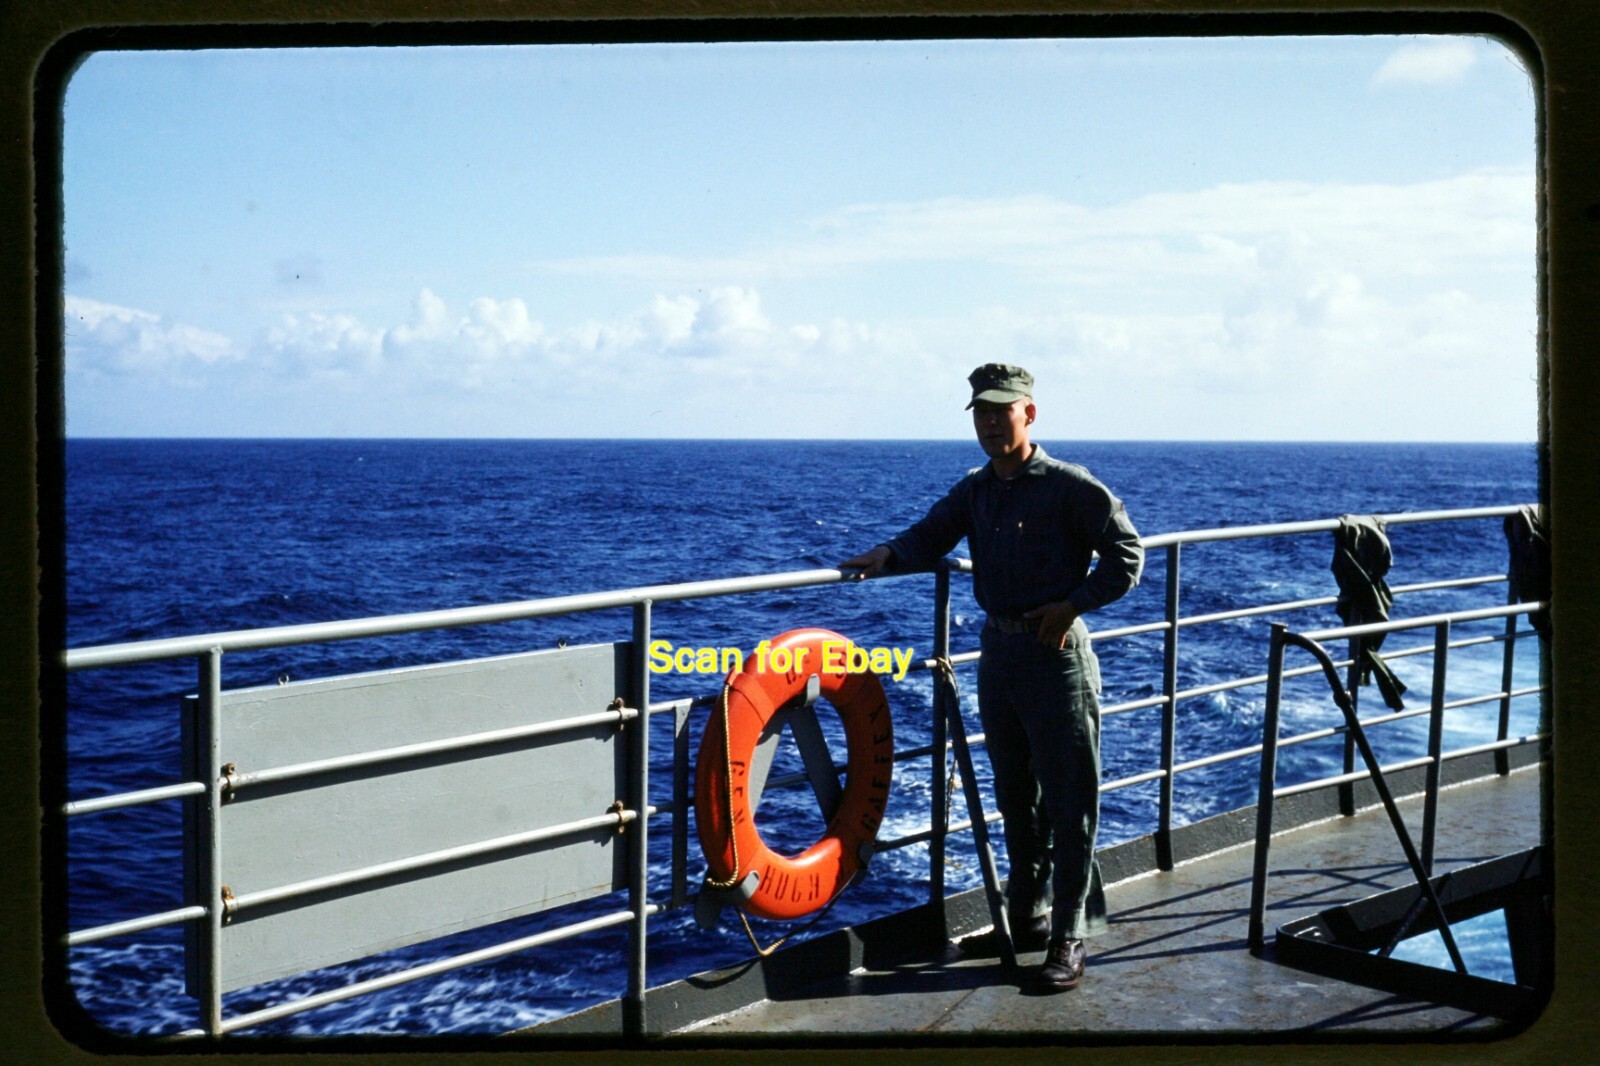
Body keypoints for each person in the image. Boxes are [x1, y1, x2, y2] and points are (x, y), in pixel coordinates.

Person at [839, 363, 1143, 993]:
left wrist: (1071, 606)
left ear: (1028, 413)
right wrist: (887, 555)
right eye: (980, 412)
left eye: (1002, 411)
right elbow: (931, 533)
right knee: (1017, 800)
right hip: (999, 659)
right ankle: (1030, 918)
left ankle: (1070, 935)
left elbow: (1127, 555)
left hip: (1055, 657)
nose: (990, 423)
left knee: (1068, 800)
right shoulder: (976, 490)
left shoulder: (1069, 487)